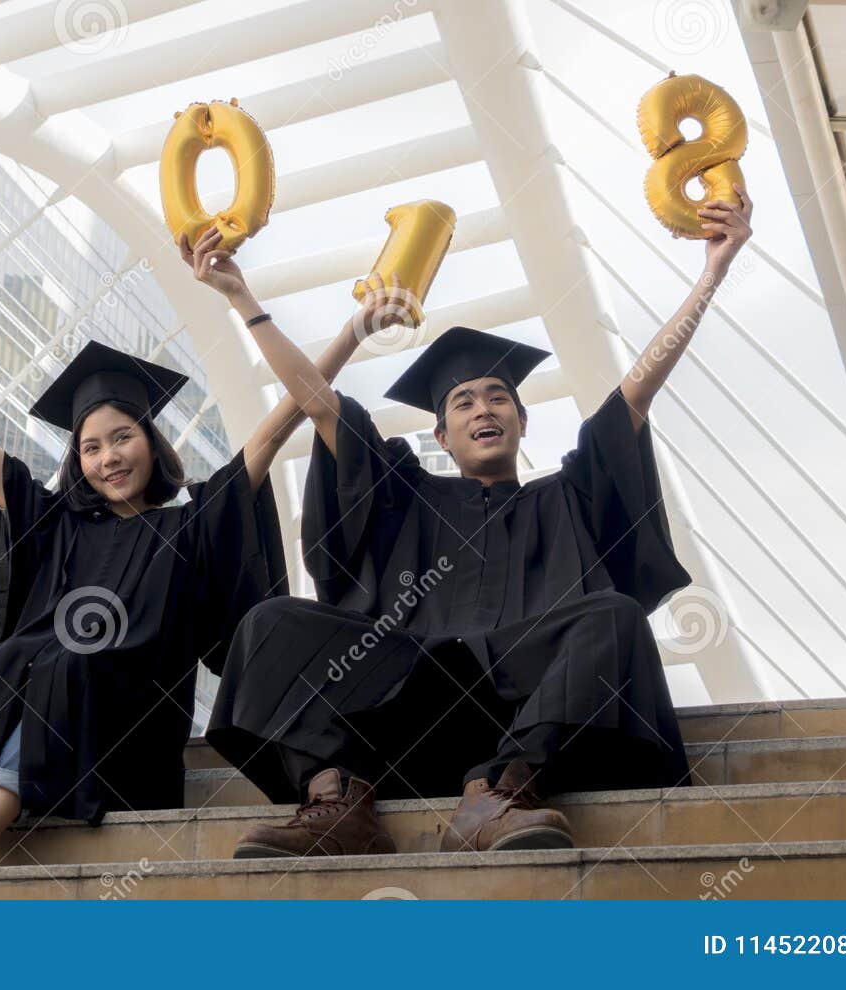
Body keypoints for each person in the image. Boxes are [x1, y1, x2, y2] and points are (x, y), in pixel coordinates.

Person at [205, 186, 755, 858]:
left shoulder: (568, 498)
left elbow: (634, 393)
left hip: (527, 716)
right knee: (270, 625)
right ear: (443, 430)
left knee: (613, 614)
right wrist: (244, 300)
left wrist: (711, 275)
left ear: (522, 422)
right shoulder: (405, 493)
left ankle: (499, 797)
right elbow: (318, 403)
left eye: (499, 396)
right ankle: (336, 798)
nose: (483, 407)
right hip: (399, 710)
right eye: (463, 402)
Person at [0, 229, 408, 870]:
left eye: (121, 438)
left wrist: (344, 331)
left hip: (133, 730)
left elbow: (285, 417)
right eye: (91, 448)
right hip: (53, 698)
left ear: (150, 442)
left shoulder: (193, 524)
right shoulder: (59, 525)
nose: (108, 457)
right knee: (14, 655)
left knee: (68, 659)